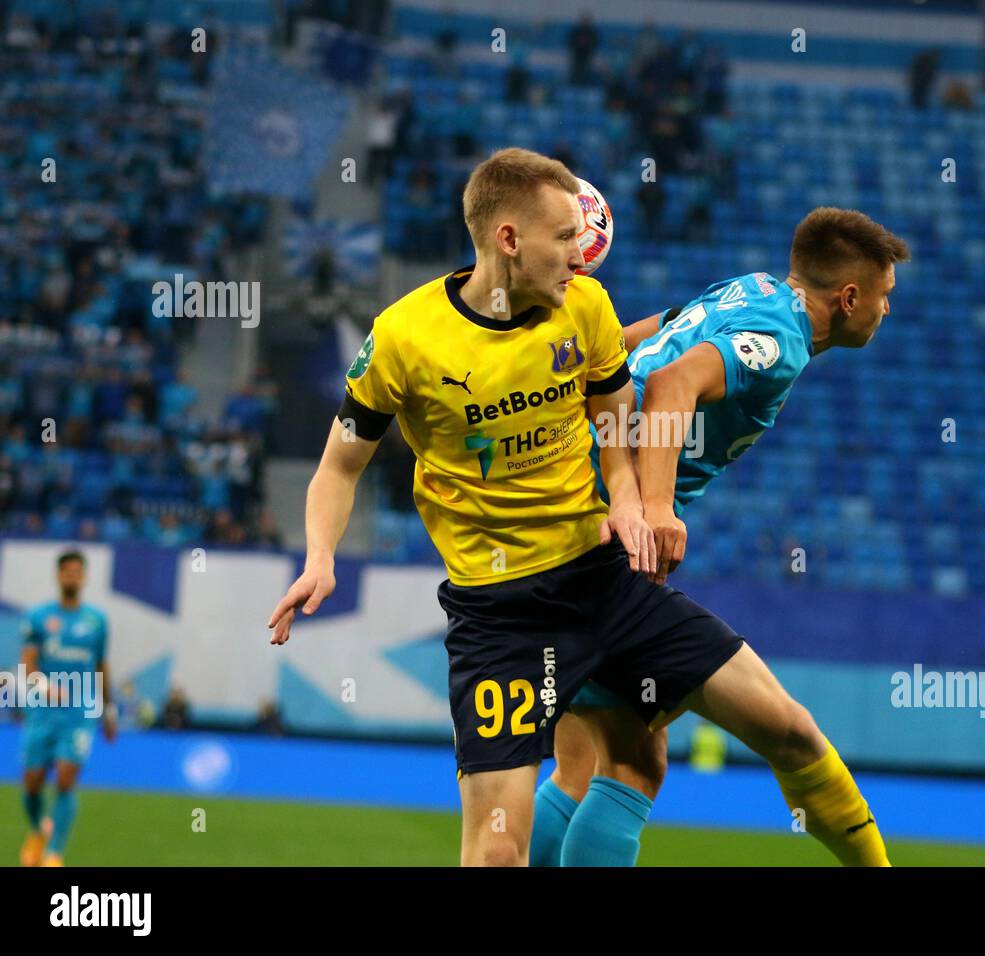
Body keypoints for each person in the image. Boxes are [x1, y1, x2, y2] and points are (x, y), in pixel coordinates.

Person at [268, 149, 891, 866]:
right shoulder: (403, 341)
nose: (584, 254)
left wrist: (631, 502)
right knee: (505, 847)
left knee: (784, 732)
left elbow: (618, 412)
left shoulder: (588, 308)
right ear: (508, 240)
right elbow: (340, 463)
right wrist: (319, 556)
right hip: (499, 613)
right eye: (566, 239)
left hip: (602, 579)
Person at [534, 208, 908, 866]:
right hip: (603, 542)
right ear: (849, 298)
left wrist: (566, 384)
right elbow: (674, 382)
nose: (885, 313)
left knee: (612, 760)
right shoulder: (781, 338)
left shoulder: (750, 288)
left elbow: (641, 339)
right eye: (884, 298)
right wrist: (655, 507)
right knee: (790, 732)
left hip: (559, 522)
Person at [17, 550, 117, 867]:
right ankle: (37, 830)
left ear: (84, 577)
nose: (72, 576)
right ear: (58, 576)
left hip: (78, 714)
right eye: (67, 571)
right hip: (42, 712)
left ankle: (54, 854)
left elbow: (101, 666)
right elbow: (28, 666)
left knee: (65, 780)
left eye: (77, 572)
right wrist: (46, 687)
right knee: (32, 782)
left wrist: (109, 710)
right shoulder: (38, 617)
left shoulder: (97, 621)